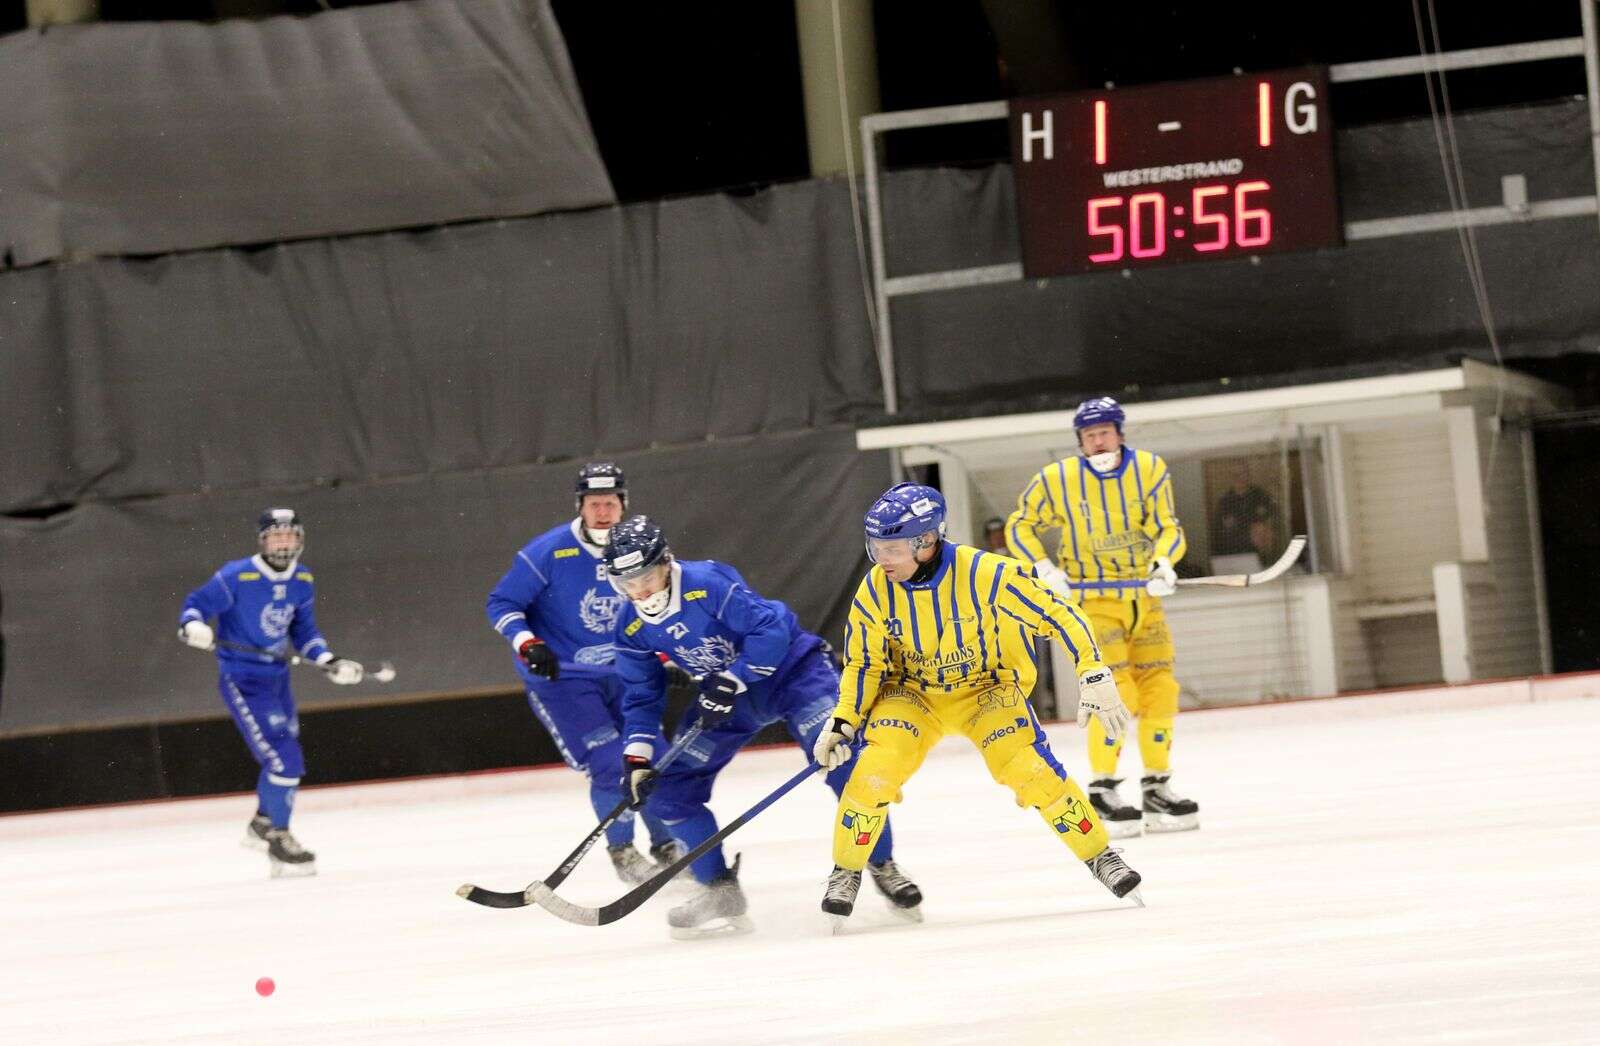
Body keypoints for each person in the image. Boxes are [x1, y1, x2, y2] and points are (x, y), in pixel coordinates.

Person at [811, 482, 1141, 929]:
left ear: (926, 541)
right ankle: (846, 869)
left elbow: (1061, 614)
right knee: (871, 773)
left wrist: (1094, 672)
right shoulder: (874, 590)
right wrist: (844, 720)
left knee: (1031, 771)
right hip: (914, 695)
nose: (881, 560)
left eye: (891, 548)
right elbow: (864, 664)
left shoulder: (988, 573)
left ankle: (1101, 855)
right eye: (875, 547)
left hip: (987, 691)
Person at [607, 515, 921, 939]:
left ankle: (881, 862)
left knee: (844, 758)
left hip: (793, 673)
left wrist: (731, 679)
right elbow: (641, 695)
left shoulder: (707, 582)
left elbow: (769, 629)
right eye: (627, 582)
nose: (640, 590)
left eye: (646, 575)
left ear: (665, 562)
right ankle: (718, 889)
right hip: (729, 695)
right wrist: (637, 758)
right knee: (669, 790)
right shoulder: (629, 628)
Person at [1005, 397, 1200, 837]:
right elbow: (1020, 525)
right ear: (1079, 441)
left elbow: (1168, 526)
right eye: (1088, 435)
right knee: (1116, 694)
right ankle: (1103, 789)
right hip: (1094, 604)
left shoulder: (1149, 469)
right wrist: (1045, 568)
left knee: (1160, 691)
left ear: (1120, 432)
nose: (1097, 441)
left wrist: (1165, 563)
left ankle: (1157, 786)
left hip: (1143, 601)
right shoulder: (1058, 480)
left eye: (1104, 432)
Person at [485, 462, 681, 885]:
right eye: (594, 504)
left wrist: (666, 655)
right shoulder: (548, 551)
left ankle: (668, 846)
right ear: (581, 506)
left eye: (610, 502)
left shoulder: (641, 550)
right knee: (612, 763)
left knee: (657, 759)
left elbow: (660, 605)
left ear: (624, 504)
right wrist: (527, 643)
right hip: (565, 680)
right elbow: (501, 603)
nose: (603, 511)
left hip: (626, 674)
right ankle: (623, 851)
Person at [177, 508, 364, 877]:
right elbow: (195, 604)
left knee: (286, 755)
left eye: (290, 536)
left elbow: (304, 632)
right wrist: (192, 625)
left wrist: (330, 660)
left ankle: (262, 823)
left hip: (277, 678)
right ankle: (278, 837)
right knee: (285, 759)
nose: (283, 543)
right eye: (276, 536)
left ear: (300, 539)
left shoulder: (303, 579)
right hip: (243, 678)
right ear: (262, 540)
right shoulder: (236, 576)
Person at [1212, 465, 1277, 558]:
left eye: (1242, 474)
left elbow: (1273, 525)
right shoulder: (1224, 501)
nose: (1238, 477)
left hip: (1257, 553)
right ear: (1230, 477)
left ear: (1249, 475)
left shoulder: (1261, 496)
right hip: (1232, 553)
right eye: (1234, 475)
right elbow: (1218, 532)